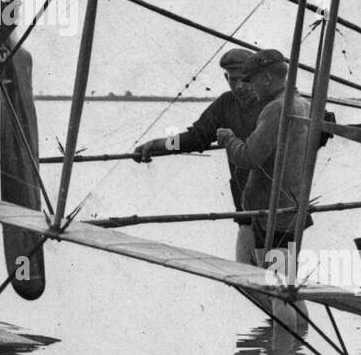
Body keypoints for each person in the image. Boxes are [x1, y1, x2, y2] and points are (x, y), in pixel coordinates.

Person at [132, 48, 263, 262]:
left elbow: (312, 122)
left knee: (282, 284)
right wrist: (158, 144)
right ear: (225, 78)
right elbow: (195, 137)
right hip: (247, 210)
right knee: (247, 277)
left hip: (280, 213)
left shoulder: (273, 104)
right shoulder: (226, 105)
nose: (239, 86)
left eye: (245, 80)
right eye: (233, 80)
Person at [215, 49, 315, 272]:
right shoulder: (302, 104)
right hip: (290, 210)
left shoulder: (276, 108)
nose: (250, 87)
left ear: (267, 78)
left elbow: (250, 157)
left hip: (275, 216)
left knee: (277, 289)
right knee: (283, 286)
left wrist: (229, 139)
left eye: (252, 81)